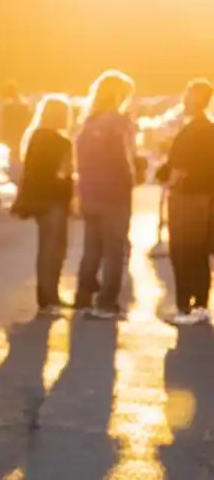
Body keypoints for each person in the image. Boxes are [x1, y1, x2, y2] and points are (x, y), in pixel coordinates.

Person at [73, 70, 138, 319]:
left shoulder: (88, 123)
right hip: (115, 194)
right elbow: (124, 158)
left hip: (90, 193)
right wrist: (131, 179)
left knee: (92, 249)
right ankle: (107, 302)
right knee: (115, 251)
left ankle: (83, 298)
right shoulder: (119, 123)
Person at [14, 94, 75, 315]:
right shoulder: (62, 143)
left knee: (45, 249)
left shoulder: (34, 138)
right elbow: (64, 173)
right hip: (56, 200)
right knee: (56, 249)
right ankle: (51, 298)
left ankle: (47, 297)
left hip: (38, 200)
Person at [164, 78, 214, 325]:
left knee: (183, 251)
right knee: (199, 252)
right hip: (205, 197)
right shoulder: (208, 129)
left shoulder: (192, 132)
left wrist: (170, 184)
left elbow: (178, 169)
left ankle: (185, 306)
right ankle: (201, 303)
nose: (184, 100)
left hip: (188, 198)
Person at [0, 82, 33, 182]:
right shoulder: (24, 105)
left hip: (13, 134)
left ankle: (15, 175)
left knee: (14, 154)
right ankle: (18, 174)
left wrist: (3, 135)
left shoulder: (8, 107)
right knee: (19, 154)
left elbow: (5, 122)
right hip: (22, 133)